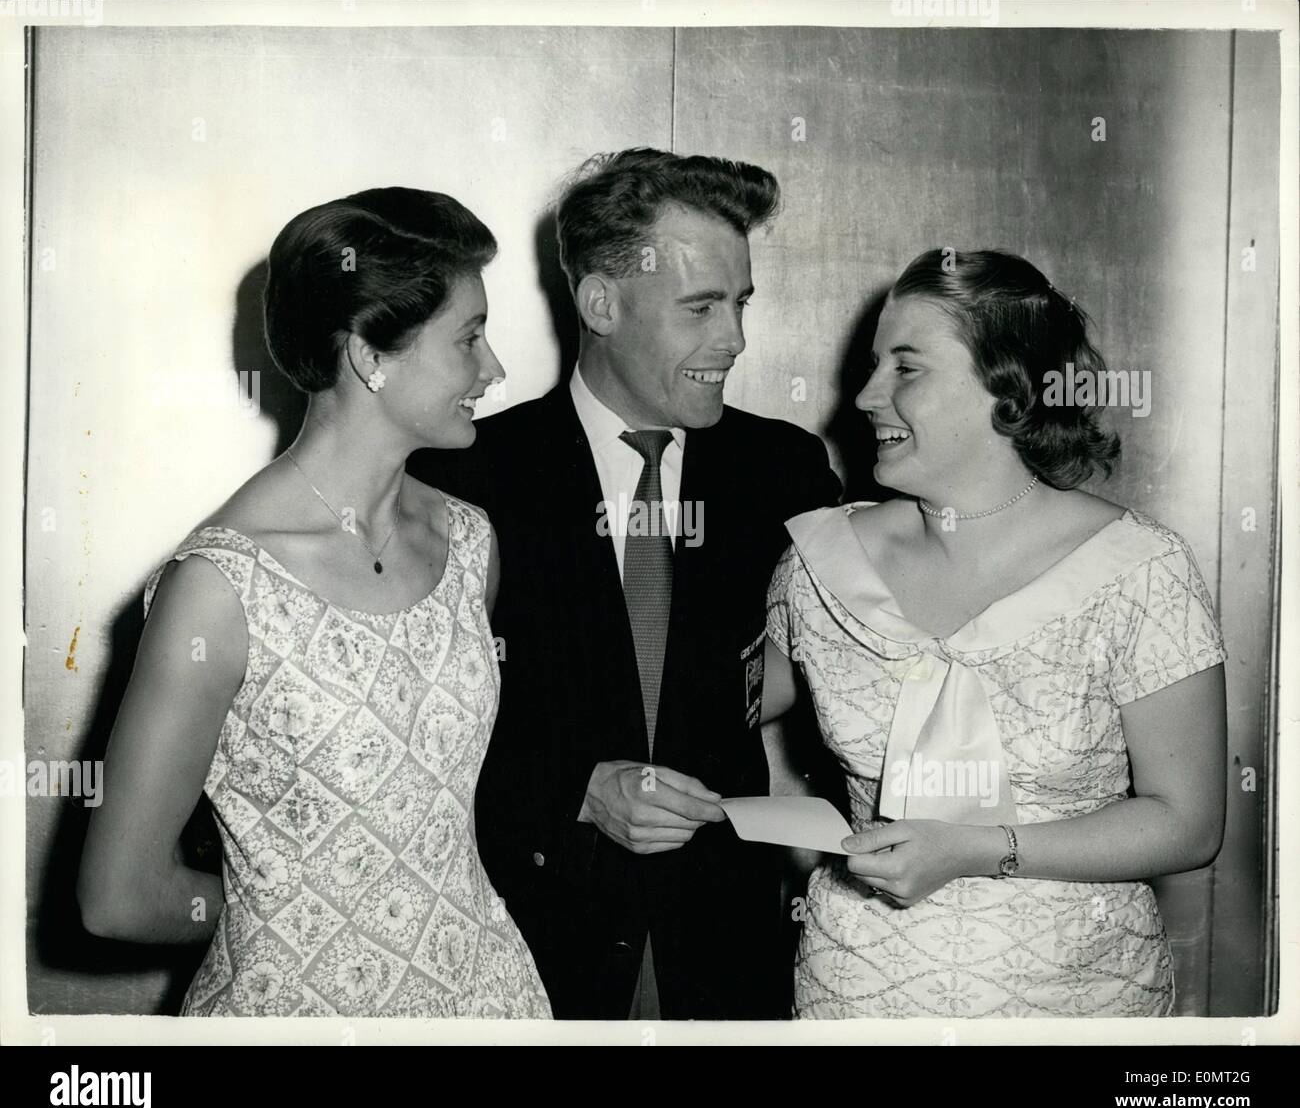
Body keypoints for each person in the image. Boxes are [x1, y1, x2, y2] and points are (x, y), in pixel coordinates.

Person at [77, 188, 551, 1018]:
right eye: (469, 338)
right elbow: (118, 897)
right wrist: (290, 923)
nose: (495, 368)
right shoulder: (219, 591)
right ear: (370, 354)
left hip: (491, 1006)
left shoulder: (469, 543)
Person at [412, 148, 841, 1019]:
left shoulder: (785, 471)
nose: (734, 340)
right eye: (700, 307)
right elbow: (402, 744)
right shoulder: (464, 479)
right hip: (524, 956)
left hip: (732, 963)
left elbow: (848, 682)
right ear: (600, 302)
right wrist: (571, 790)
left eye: (740, 303)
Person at [763, 249, 1227, 1018]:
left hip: (1078, 1006)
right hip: (857, 999)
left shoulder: (1139, 569)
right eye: (873, 364)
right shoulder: (818, 561)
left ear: (1006, 391)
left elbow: (1189, 821)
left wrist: (983, 849)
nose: (866, 394)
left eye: (906, 368)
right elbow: (717, 711)